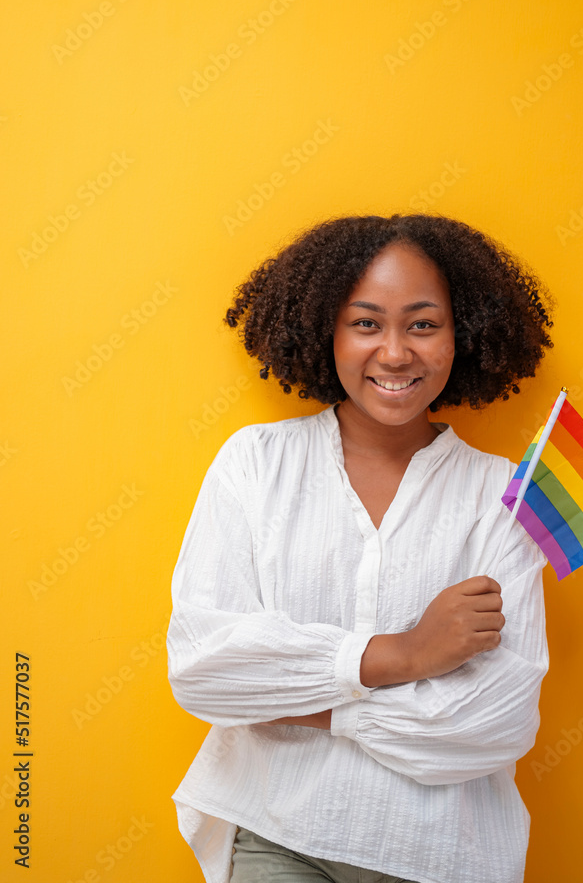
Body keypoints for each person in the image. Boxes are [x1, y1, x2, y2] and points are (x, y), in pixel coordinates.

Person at [166, 213, 554, 883]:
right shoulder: (254, 464)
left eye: (423, 324)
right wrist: (402, 654)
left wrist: (295, 699)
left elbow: (496, 721)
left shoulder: (505, 497)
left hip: (441, 852)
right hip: (271, 832)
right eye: (366, 322)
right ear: (326, 331)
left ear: (464, 334)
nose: (396, 352)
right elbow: (204, 670)